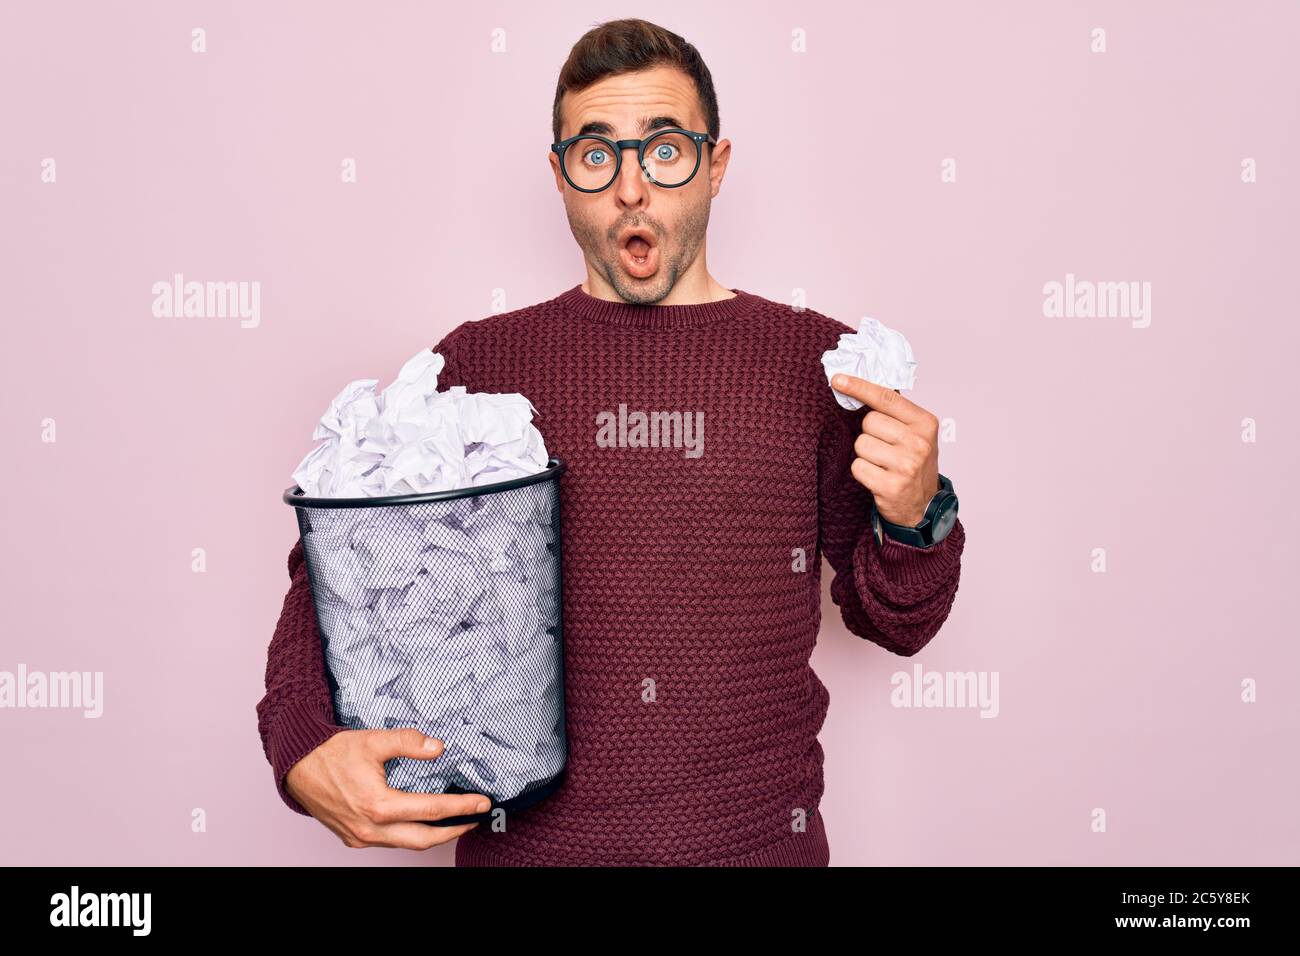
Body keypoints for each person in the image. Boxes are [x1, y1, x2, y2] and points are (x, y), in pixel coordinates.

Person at [256, 17, 966, 866]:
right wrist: (301, 746)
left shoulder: (814, 366)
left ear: (716, 164)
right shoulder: (479, 364)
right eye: (597, 156)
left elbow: (895, 622)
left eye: (664, 149)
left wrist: (920, 514)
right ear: (561, 178)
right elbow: (342, 571)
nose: (633, 188)